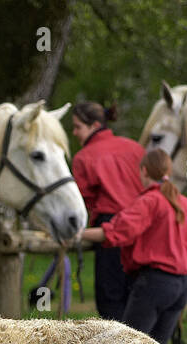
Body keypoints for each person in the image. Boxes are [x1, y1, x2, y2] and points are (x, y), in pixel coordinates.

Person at [82, 148, 187, 344]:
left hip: (154, 284)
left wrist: (78, 234)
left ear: (143, 171)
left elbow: (116, 231)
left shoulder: (149, 202)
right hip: (183, 286)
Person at [70, 101, 144, 321]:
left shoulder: (83, 158)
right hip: (143, 225)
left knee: (111, 299)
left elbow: (81, 200)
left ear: (94, 125)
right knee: (139, 295)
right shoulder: (135, 148)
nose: (74, 133)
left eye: (77, 127)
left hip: (110, 231)